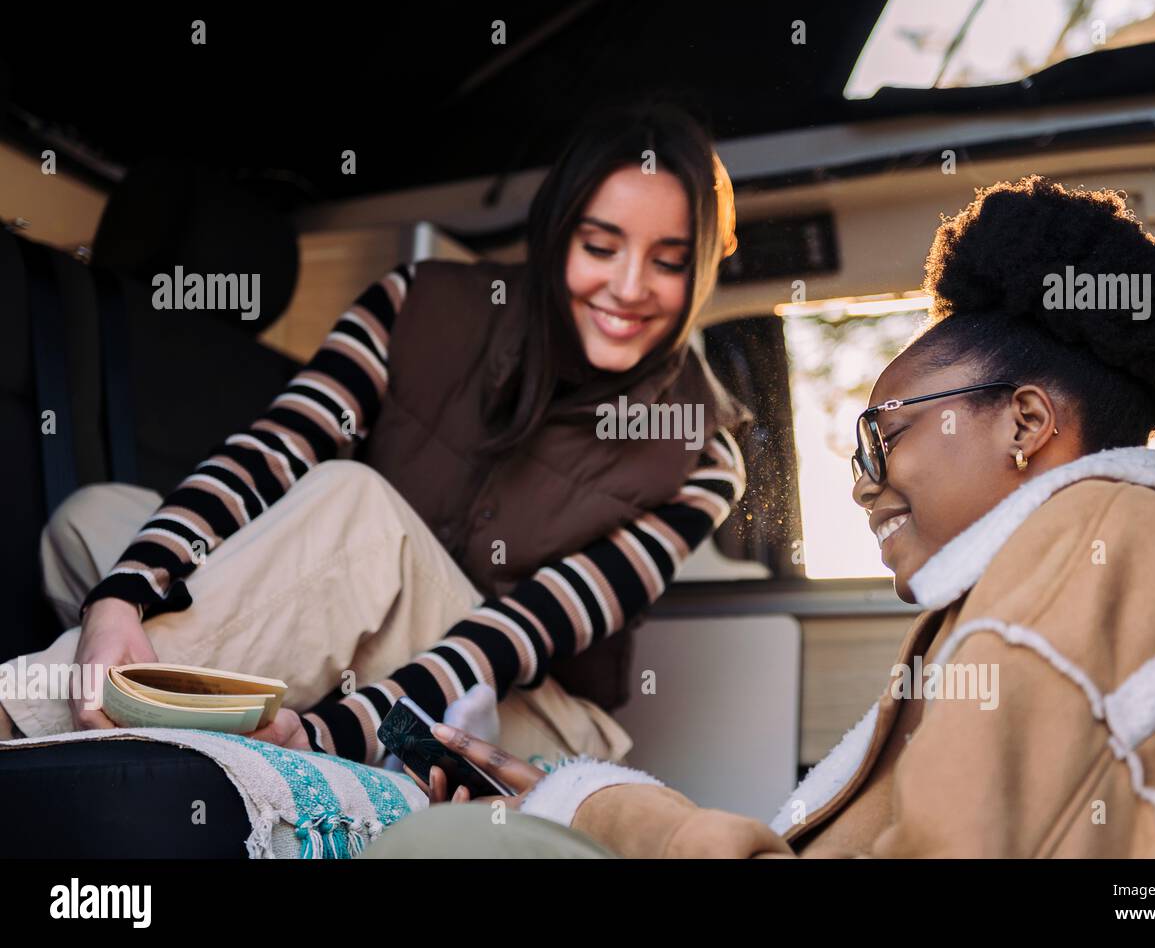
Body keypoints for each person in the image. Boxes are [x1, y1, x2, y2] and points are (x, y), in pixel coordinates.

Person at [361, 176, 1155, 858]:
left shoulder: (1094, 544)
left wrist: (596, 812)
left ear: (1024, 422)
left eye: (879, 435)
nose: (861, 481)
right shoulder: (1104, 560)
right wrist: (582, 803)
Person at [0, 100, 749, 772]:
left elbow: (517, 636)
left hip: (520, 720)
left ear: (701, 269)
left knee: (356, 506)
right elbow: (274, 452)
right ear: (556, 236)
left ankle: (18, 718)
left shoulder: (704, 455)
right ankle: (169, 710)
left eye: (669, 261)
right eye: (600, 245)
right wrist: (120, 600)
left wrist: (328, 735)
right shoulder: (415, 304)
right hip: (360, 639)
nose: (627, 286)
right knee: (93, 521)